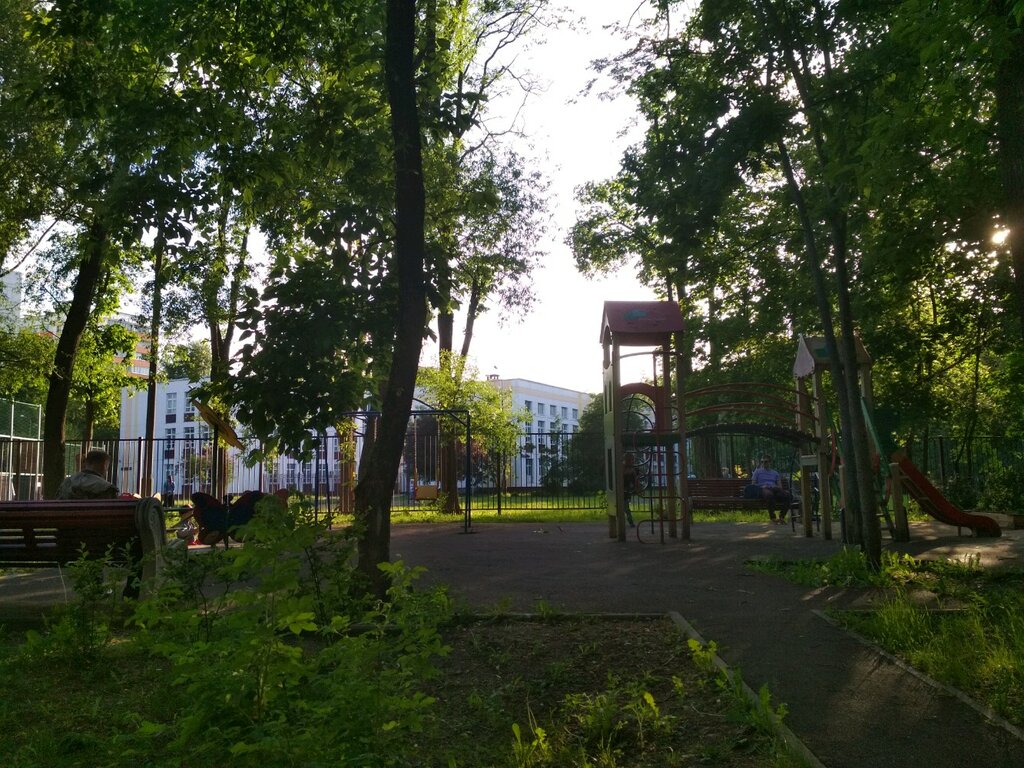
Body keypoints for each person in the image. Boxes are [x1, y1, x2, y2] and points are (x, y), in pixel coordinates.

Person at [751, 455, 792, 524]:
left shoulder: (775, 473)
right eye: (762, 462)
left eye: (765, 462)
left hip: (774, 489)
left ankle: (782, 517)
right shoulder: (757, 472)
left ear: (770, 462)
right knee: (769, 495)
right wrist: (762, 486)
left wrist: (776, 487)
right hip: (763, 489)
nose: (763, 463)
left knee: (788, 496)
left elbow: (780, 486)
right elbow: (753, 485)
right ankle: (773, 518)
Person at [622, 453, 638, 527]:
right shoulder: (623, 468)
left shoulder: (633, 469)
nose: (632, 462)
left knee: (626, 506)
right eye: (631, 460)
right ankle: (629, 521)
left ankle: (630, 521)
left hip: (626, 491)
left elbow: (635, 480)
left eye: (633, 460)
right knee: (624, 507)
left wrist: (635, 487)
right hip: (622, 490)